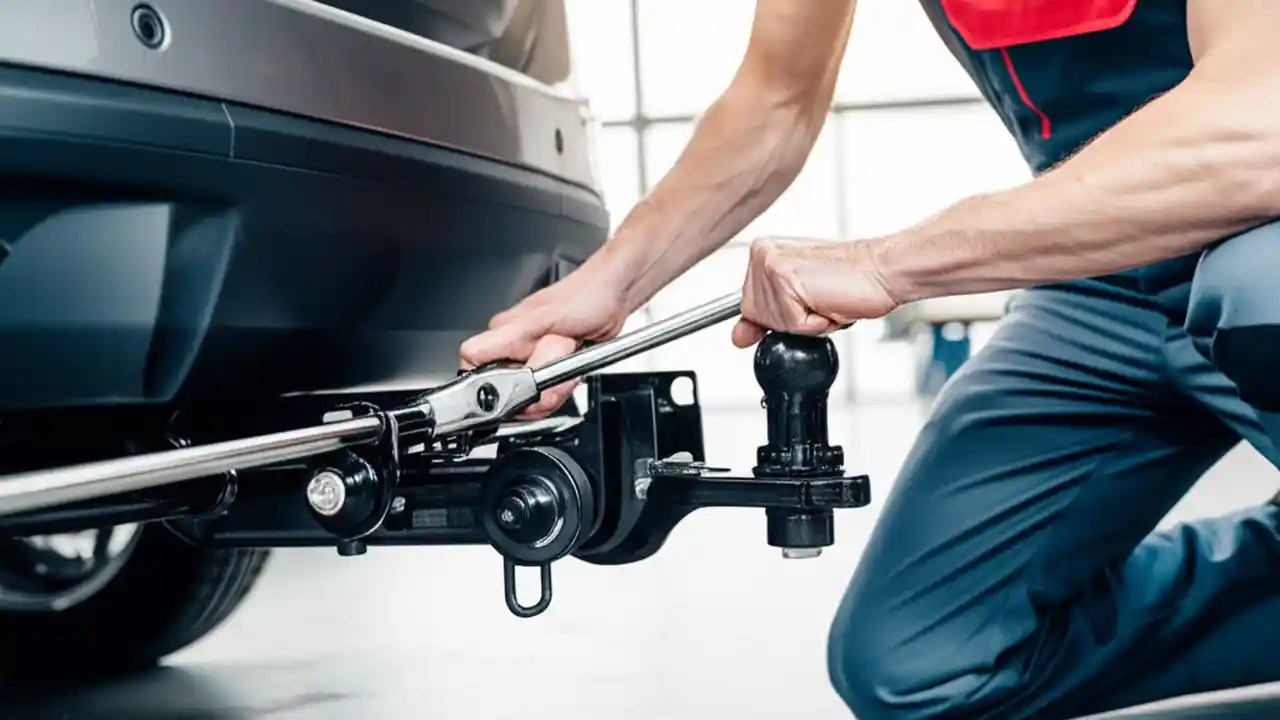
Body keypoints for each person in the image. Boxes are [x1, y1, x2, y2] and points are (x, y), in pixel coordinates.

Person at [461, 1, 1280, 717]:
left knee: (1256, 290)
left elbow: (1257, 130)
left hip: (1261, 239)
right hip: (1103, 282)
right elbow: (775, 99)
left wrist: (891, 262)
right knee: (921, 664)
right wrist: (610, 284)